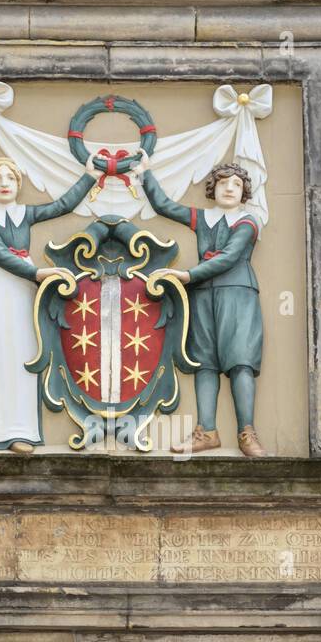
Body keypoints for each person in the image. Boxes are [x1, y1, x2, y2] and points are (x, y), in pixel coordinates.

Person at [0, 155, 97, 454]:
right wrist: (36, 272)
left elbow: (61, 206)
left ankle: (18, 431)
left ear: (18, 184)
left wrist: (90, 176)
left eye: (10, 178)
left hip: (19, 291)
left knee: (20, 358)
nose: (4, 184)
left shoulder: (24, 214)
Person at [137, 152, 267, 457]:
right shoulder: (203, 218)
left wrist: (187, 274)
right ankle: (206, 431)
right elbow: (165, 206)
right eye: (223, 183)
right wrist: (145, 174)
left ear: (244, 191)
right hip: (202, 294)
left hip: (238, 293)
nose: (230, 188)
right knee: (204, 362)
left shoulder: (248, 221)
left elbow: (230, 256)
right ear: (214, 188)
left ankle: (247, 432)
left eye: (236, 184)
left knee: (241, 361)